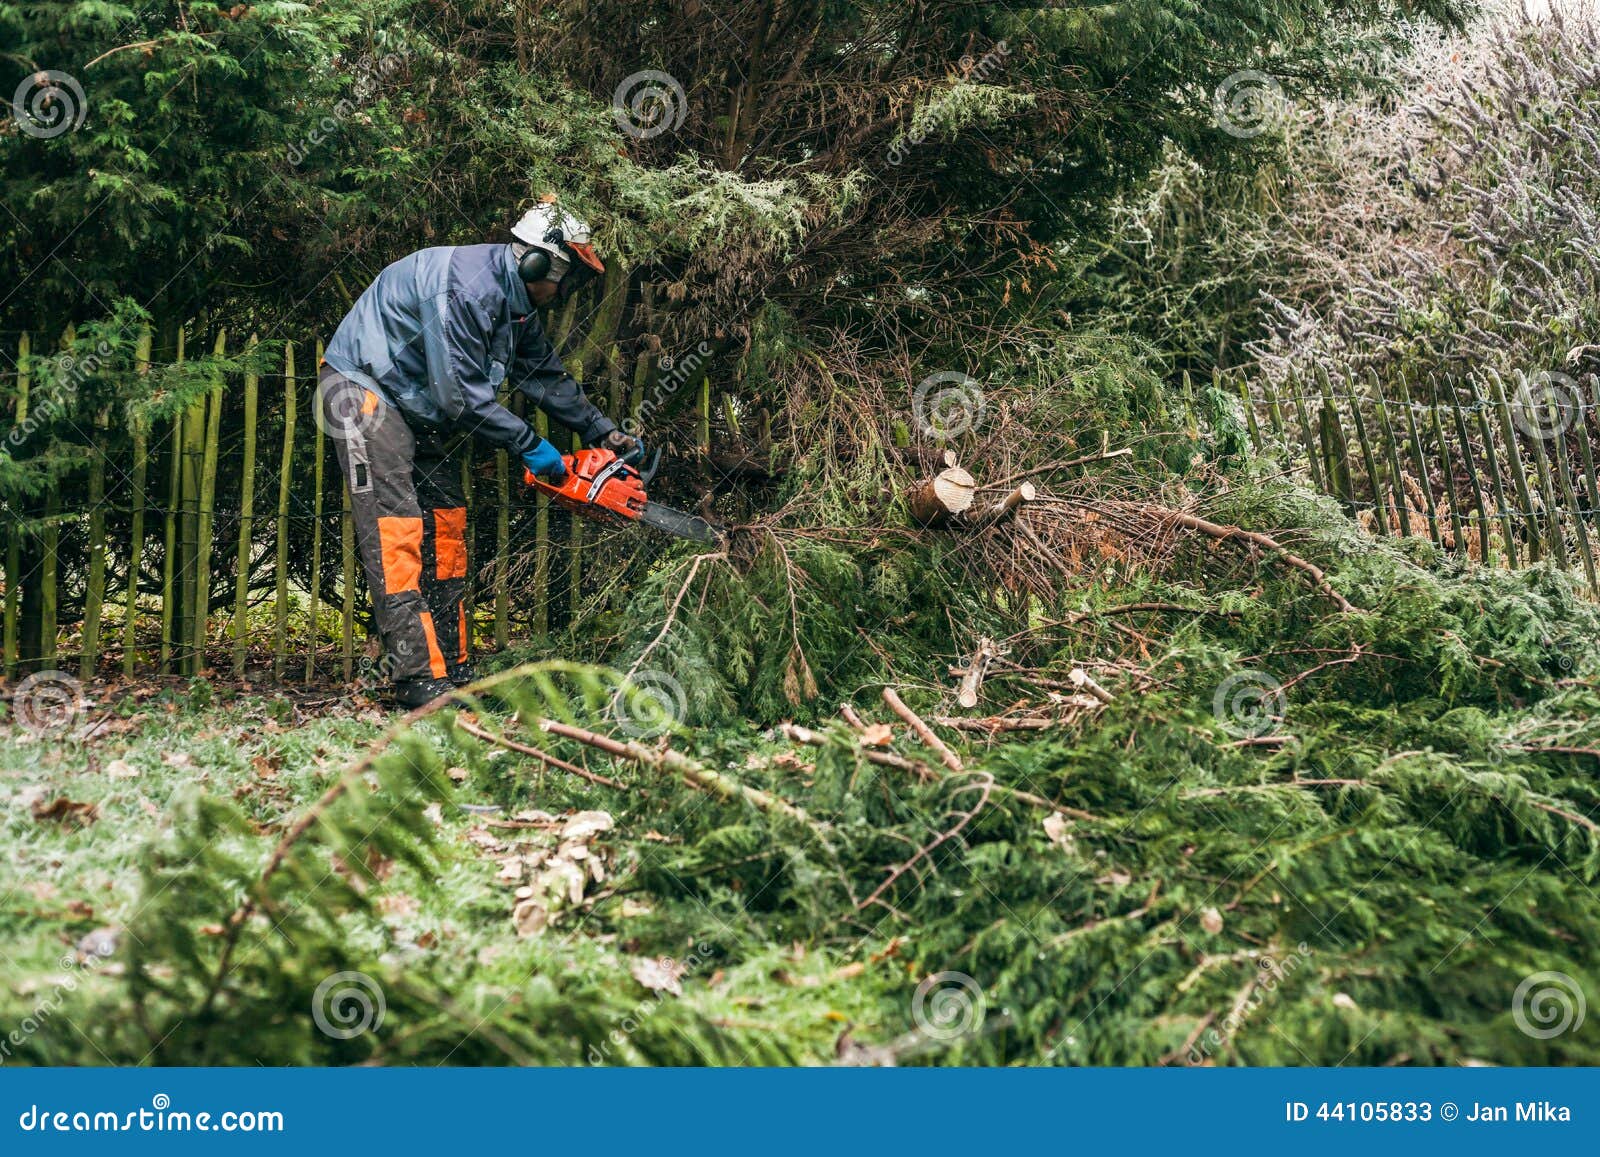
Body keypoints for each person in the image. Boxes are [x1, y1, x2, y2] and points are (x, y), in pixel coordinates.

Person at [318, 202, 638, 707]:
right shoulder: (465, 288)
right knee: (396, 530)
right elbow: (460, 396)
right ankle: (418, 679)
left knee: (445, 525)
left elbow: (543, 376)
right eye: (564, 280)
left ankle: (452, 666)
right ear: (538, 264)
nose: (562, 292)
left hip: (413, 407)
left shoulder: (515, 307)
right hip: (364, 392)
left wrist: (603, 431)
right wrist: (533, 447)